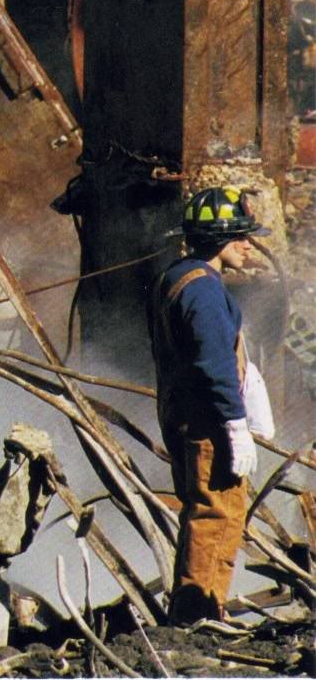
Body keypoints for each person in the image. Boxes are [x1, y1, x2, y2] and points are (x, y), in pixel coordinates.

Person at [147, 185, 276, 624]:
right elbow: (213, 362)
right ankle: (198, 614)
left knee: (204, 514)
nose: (247, 244)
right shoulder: (203, 290)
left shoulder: (178, 277)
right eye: (239, 235)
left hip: (188, 418)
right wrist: (236, 425)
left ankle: (199, 609)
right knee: (215, 516)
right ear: (217, 240)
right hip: (209, 425)